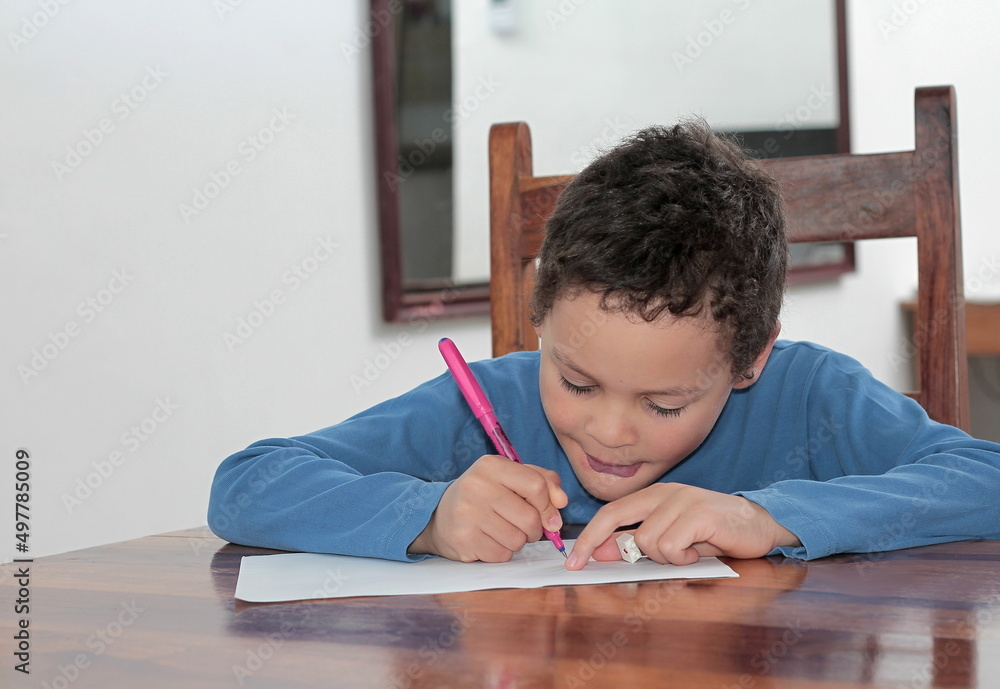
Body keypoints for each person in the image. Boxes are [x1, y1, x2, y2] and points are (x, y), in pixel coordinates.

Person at [208, 121, 1000, 569]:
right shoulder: (487, 406)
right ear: (539, 316)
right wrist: (430, 515)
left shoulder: (811, 398)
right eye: (578, 382)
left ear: (751, 357)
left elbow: (984, 479)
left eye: (664, 403)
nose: (611, 431)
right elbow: (247, 485)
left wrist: (770, 516)